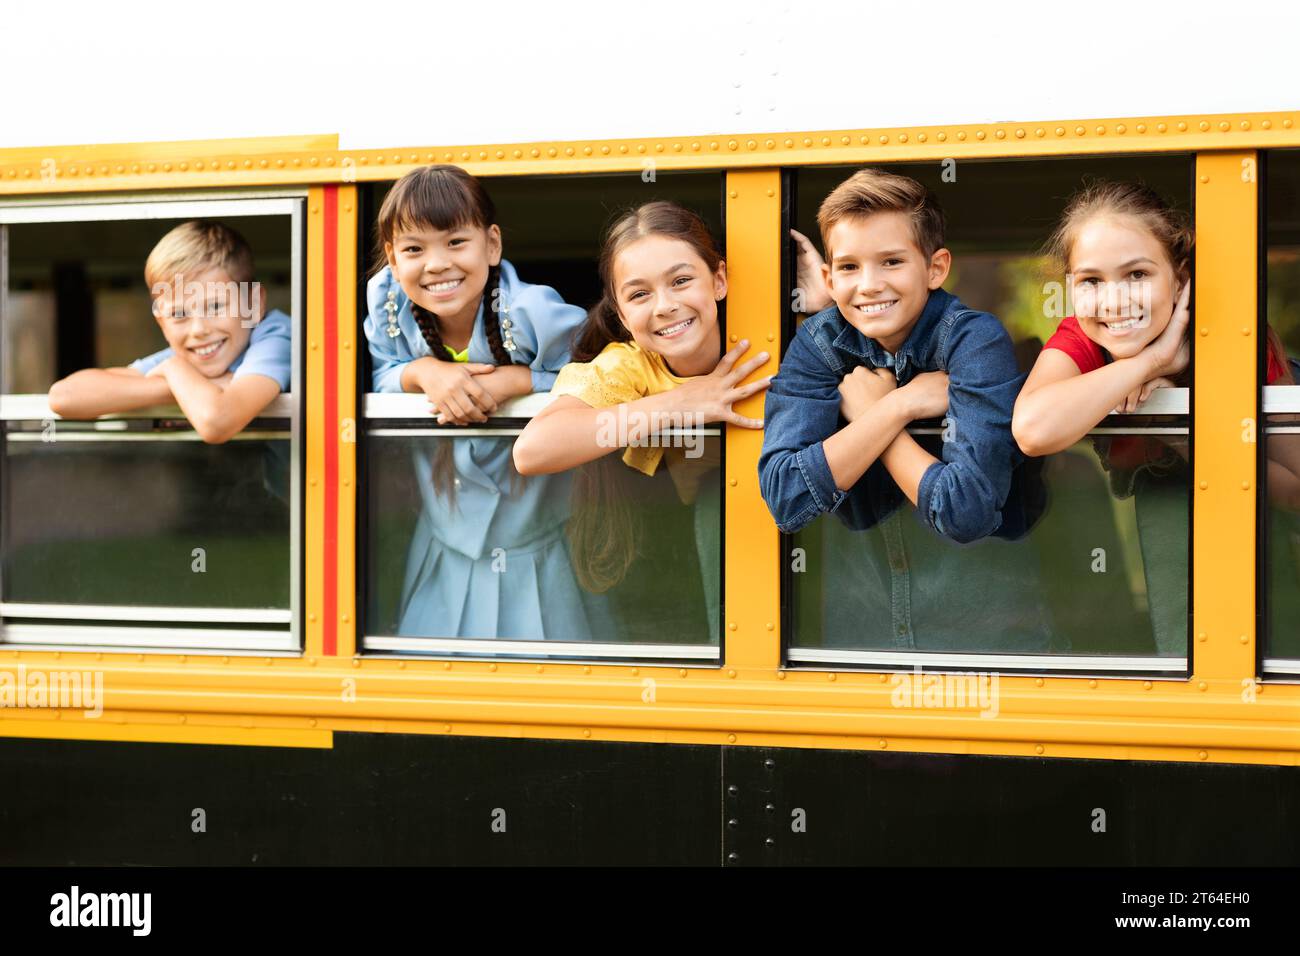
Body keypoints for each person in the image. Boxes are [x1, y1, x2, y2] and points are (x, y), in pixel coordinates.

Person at [759, 167, 1049, 652]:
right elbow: (786, 498)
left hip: (985, 629)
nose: (869, 285)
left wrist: (879, 420)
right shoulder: (818, 344)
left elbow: (968, 512)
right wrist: (897, 408)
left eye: (891, 261)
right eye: (849, 268)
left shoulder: (974, 339)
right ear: (828, 278)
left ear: (935, 268)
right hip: (859, 632)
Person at [364, 164, 605, 642]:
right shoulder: (387, 305)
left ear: (492, 245)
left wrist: (517, 380)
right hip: (445, 538)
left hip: (535, 536)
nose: (435, 264)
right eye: (414, 249)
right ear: (392, 258)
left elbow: (601, 377)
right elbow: (373, 375)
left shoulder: (534, 312)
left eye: (455, 242)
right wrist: (423, 373)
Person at [513, 201, 770, 639]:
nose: (666, 306)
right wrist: (680, 403)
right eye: (639, 294)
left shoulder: (763, 337)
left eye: (681, 281)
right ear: (622, 316)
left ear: (720, 280)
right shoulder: (629, 366)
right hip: (663, 553)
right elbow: (533, 449)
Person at [48, 220, 290, 443]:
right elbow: (64, 396)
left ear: (253, 304)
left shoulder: (277, 336)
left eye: (215, 306)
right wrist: (179, 383)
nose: (199, 330)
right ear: (162, 322)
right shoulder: (183, 363)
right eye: (178, 314)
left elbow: (217, 422)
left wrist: (176, 374)